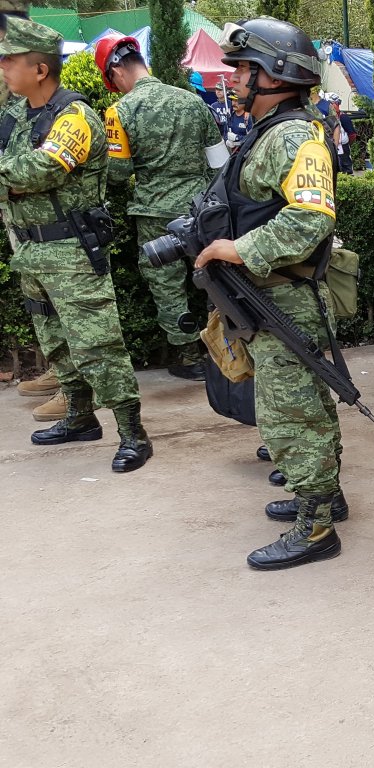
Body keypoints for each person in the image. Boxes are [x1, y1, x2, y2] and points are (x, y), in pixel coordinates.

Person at [194, 17, 345, 569]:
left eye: (242, 69)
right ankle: (328, 498)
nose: (232, 78)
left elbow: (310, 220)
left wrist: (234, 251)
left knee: (290, 414)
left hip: (282, 299)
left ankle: (316, 529)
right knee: (307, 404)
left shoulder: (293, 136)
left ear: (275, 75)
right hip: (271, 296)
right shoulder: (269, 131)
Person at [0, 18, 151, 473]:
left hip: (71, 253)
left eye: (11, 60)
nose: (3, 68)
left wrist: (13, 178)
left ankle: (133, 433)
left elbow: (42, 170)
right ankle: (80, 417)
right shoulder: (13, 114)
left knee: (98, 346)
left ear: (40, 69)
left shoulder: (76, 116)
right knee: (56, 343)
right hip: (29, 251)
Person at [96, 34, 227, 381]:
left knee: (167, 285)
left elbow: (120, 173)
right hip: (201, 211)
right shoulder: (193, 101)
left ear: (117, 71)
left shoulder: (119, 112)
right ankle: (228, 347)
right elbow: (220, 163)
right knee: (214, 276)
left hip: (154, 213)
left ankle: (188, 357)